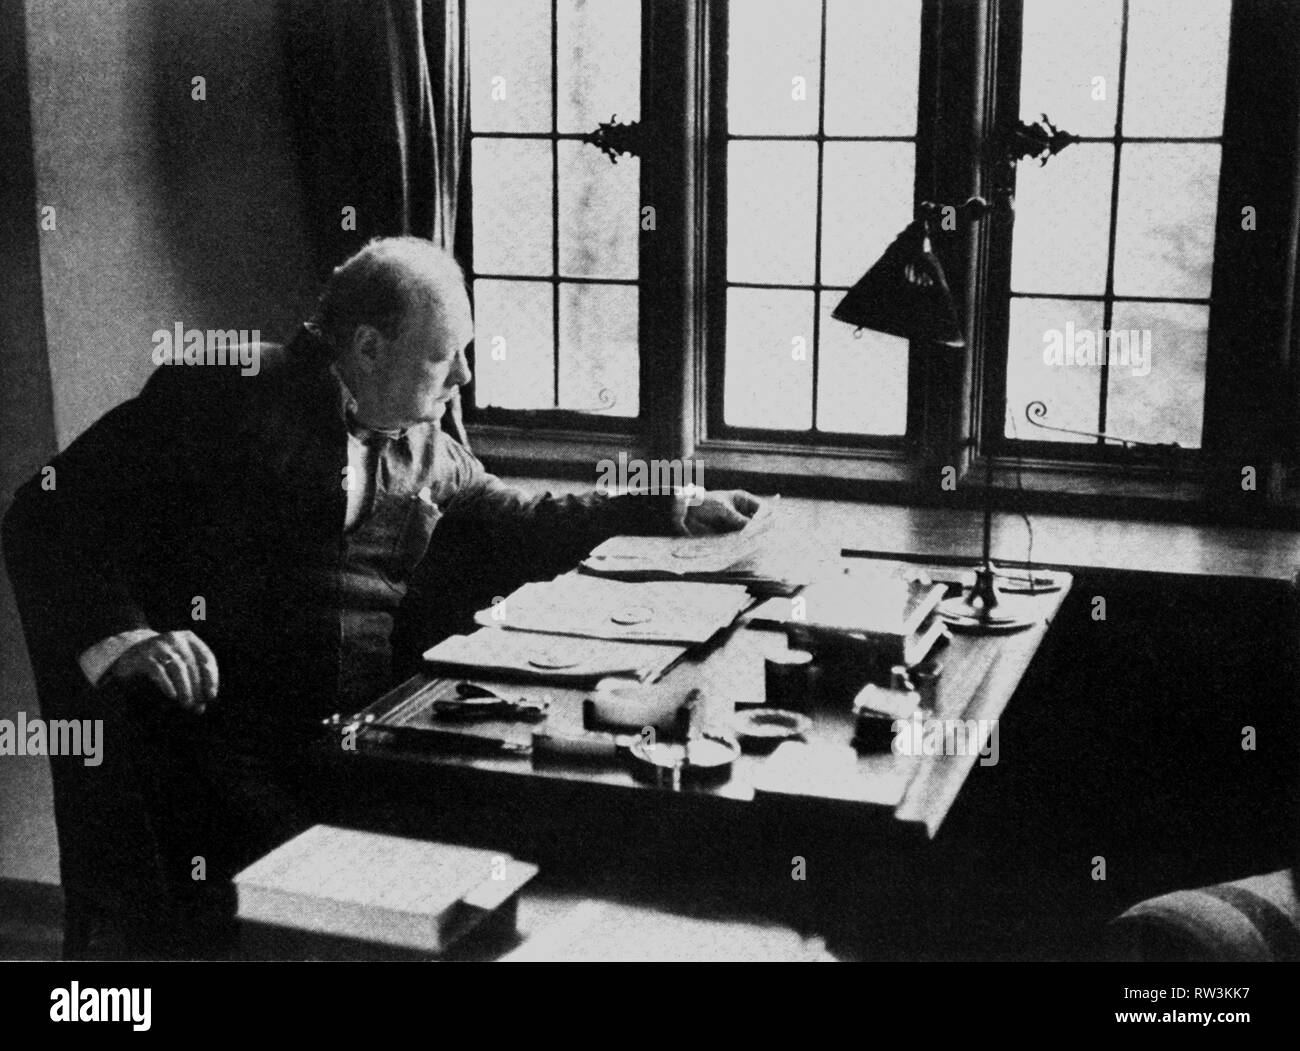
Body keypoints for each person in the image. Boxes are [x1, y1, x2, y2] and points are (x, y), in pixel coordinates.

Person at [4, 236, 760, 957]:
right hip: (216, 750)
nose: (464, 376)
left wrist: (672, 503)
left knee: (534, 850)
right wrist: (131, 638)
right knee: (382, 900)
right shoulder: (224, 393)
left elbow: (528, 518)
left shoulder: (424, 444)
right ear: (367, 347)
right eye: (444, 355)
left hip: (357, 749)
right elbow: (45, 509)